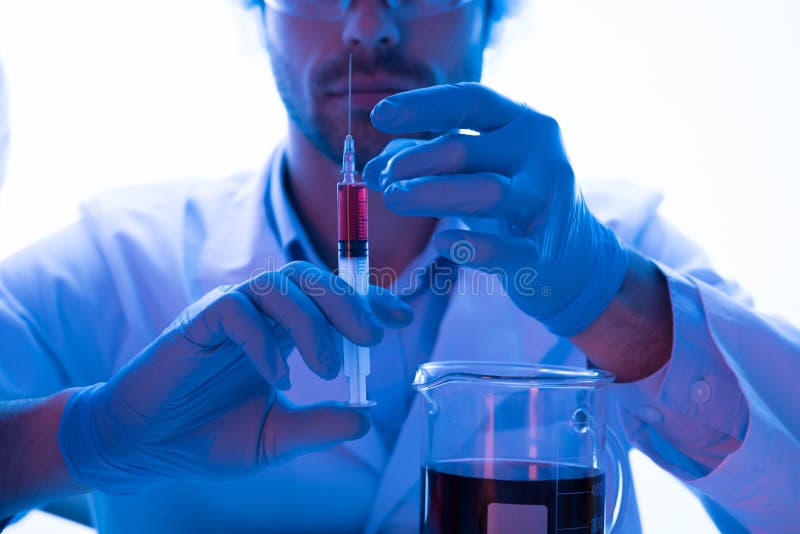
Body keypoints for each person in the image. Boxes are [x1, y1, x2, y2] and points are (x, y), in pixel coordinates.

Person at [0, 1, 798, 532]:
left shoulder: (614, 248)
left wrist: (620, 309)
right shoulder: (111, 267)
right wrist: (76, 438)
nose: (369, 26)